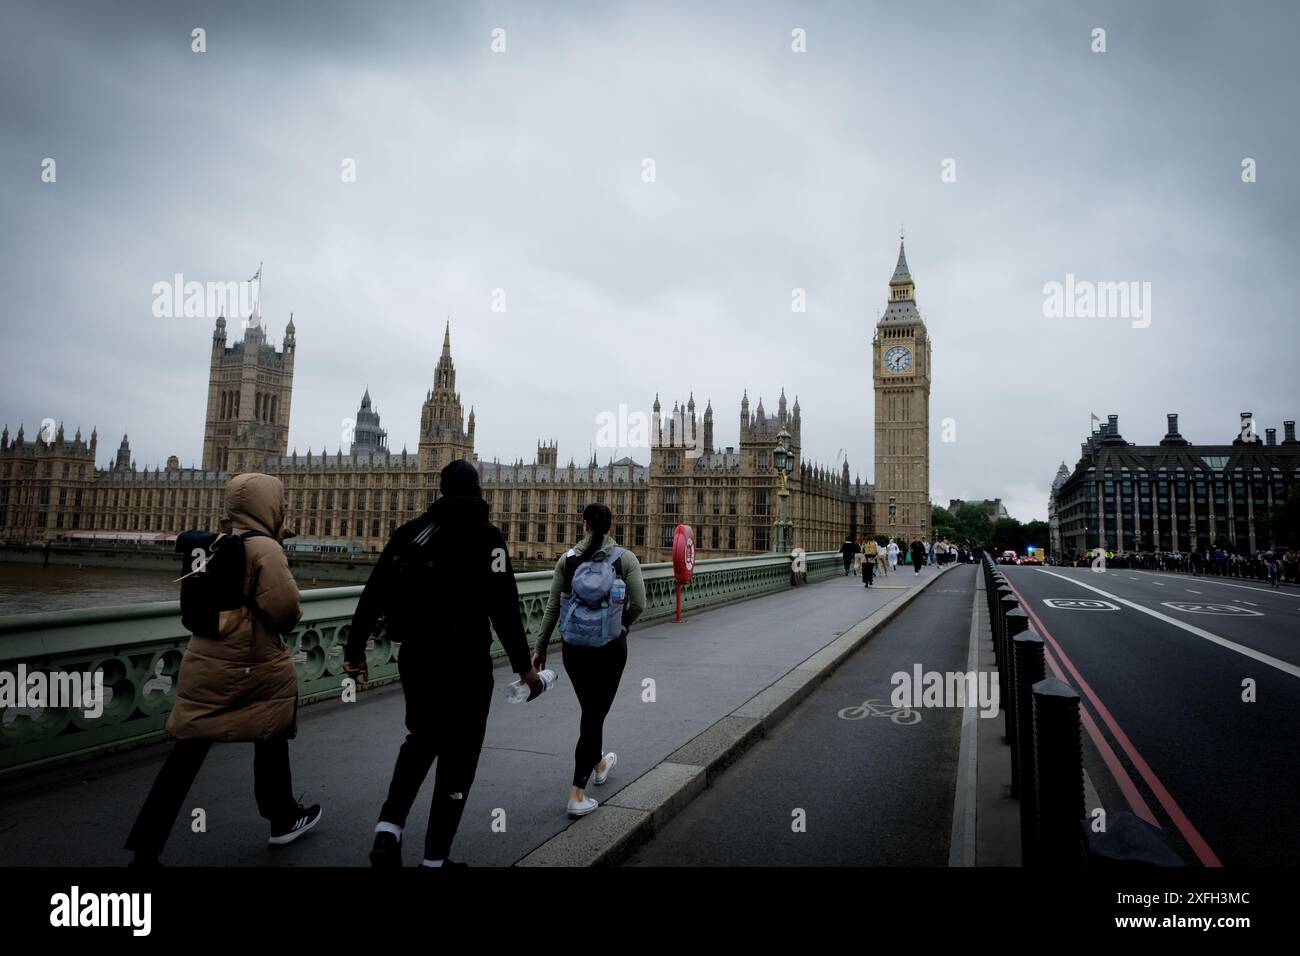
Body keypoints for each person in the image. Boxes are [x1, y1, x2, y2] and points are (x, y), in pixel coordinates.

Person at [343, 459, 540, 868]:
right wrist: (525, 668)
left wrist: (354, 650)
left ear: (441, 489)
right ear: (478, 490)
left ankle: (388, 828)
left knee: (419, 740)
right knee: (460, 755)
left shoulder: (411, 533)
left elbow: (374, 592)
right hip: (467, 660)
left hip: (417, 656)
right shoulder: (490, 539)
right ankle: (434, 859)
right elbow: (505, 609)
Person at [125, 473, 319, 866]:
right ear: (269, 505)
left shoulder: (212, 543)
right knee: (271, 732)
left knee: (186, 756)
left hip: (206, 658)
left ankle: (145, 849)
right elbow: (285, 610)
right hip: (252, 664)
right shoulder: (265, 548)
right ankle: (282, 819)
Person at [531, 503, 646, 817]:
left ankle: (599, 763)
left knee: (591, 710)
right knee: (594, 715)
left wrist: (540, 648)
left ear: (583, 525)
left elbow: (553, 609)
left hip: (574, 649)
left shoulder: (566, 560)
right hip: (610, 648)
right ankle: (577, 794)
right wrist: (622, 626)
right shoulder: (626, 559)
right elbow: (639, 603)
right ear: (612, 526)